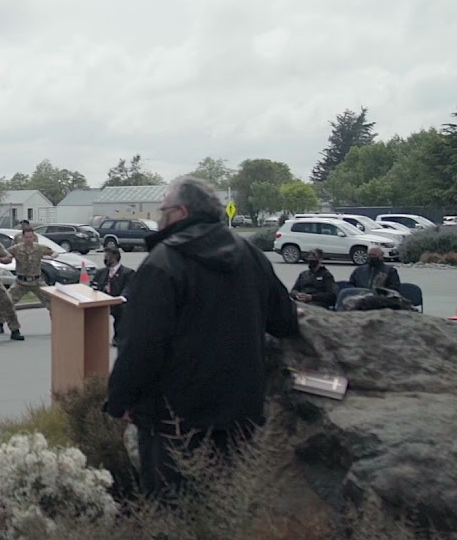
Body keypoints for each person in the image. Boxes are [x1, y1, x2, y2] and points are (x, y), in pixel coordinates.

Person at [104, 176, 300, 498]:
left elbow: (140, 346)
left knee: (173, 513)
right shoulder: (249, 254)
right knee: (228, 510)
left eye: (162, 208)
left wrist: (120, 400)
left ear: (180, 211)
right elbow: (285, 321)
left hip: (175, 422)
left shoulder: (162, 263)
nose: (159, 215)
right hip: (241, 412)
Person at [91, 247, 135, 344]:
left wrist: (122, 297)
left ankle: (118, 337)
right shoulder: (101, 272)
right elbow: (93, 285)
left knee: (122, 311)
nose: (105, 259)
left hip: (118, 302)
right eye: (105, 257)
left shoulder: (127, 273)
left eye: (107, 257)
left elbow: (128, 287)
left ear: (114, 257)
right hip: (103, 301)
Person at [335, 247, 402, 310]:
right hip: (358, 301)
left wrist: (380, 288)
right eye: (369, 255)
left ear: (381, 256)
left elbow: (394, 290)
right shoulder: (359, 270)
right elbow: (350, 286)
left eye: (374, 255)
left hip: (380, 304)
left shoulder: (390, 271)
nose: (371, 257)